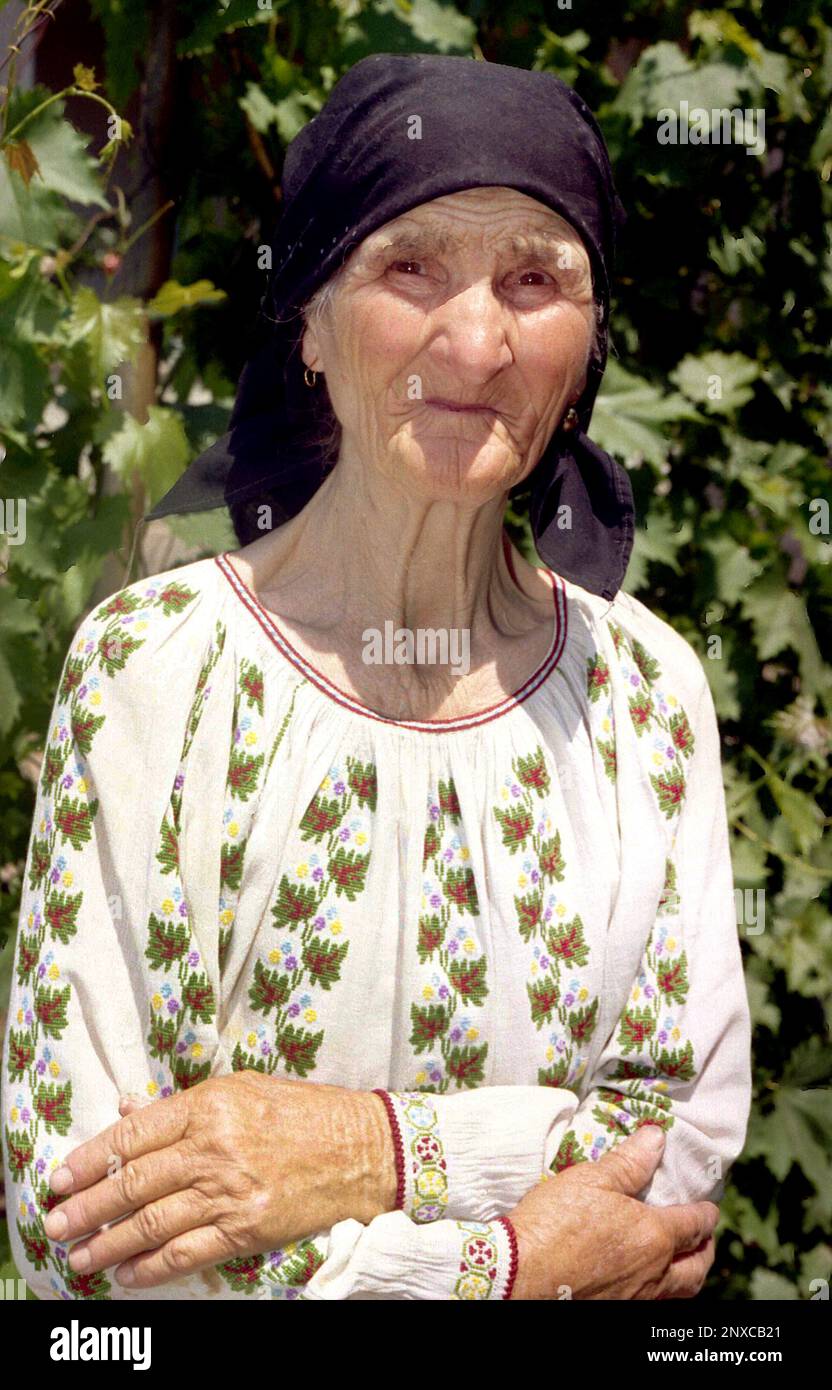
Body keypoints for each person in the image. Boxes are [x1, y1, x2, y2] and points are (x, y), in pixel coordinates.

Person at [1, 52, 751, 1301]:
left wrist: (368, 1149)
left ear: (588, 347)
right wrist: (498, 1267)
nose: (476, 338)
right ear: (307, 319)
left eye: (533, 277)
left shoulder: (644, 698)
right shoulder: (153, 674)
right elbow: (78, 1215)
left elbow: (673, 1158)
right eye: (409, 266)